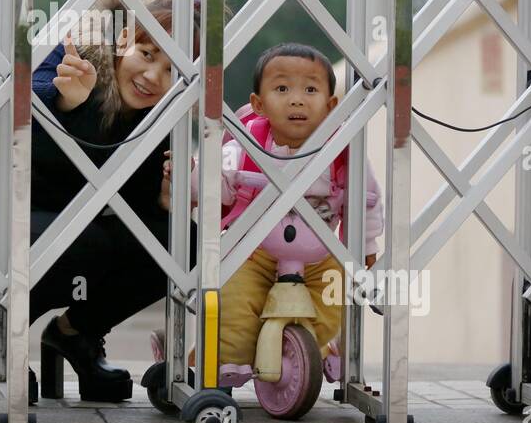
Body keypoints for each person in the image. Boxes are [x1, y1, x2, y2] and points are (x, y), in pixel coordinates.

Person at [0, 0, 195, 402]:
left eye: (172, 71)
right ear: (124, 37)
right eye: (147, 55)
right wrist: (63, 102)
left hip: (63, 237)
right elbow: (9, 121)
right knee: (84, 243)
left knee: (182, 241)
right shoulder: (75, 50)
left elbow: (130, 211)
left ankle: (75, 334)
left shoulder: (161, 118)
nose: (151, 77)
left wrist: (163, 201)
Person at [159, 43, 382, 385]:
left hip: (321, 253)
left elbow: (366, 200)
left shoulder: (343, 151)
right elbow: (215, 184)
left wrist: (366, 246)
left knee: (336, 300)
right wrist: (189, 175)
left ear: (332, 105)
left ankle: (315, 348)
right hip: (254, 251)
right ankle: (229, 359)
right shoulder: (245, 145)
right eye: (282, 89)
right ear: (258, 104)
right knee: (232, 299)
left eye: (311, 89)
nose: (297, 99)